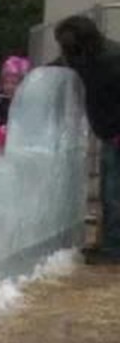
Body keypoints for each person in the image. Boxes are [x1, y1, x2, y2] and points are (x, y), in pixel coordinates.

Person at [55, 15, 120, 263]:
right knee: (108, 192)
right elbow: (63, 64)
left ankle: (115, 251)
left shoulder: (110, 61)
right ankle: (109, 243)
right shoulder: (92, 56)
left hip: (116, 134)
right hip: (110, 133)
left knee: (115, 194)